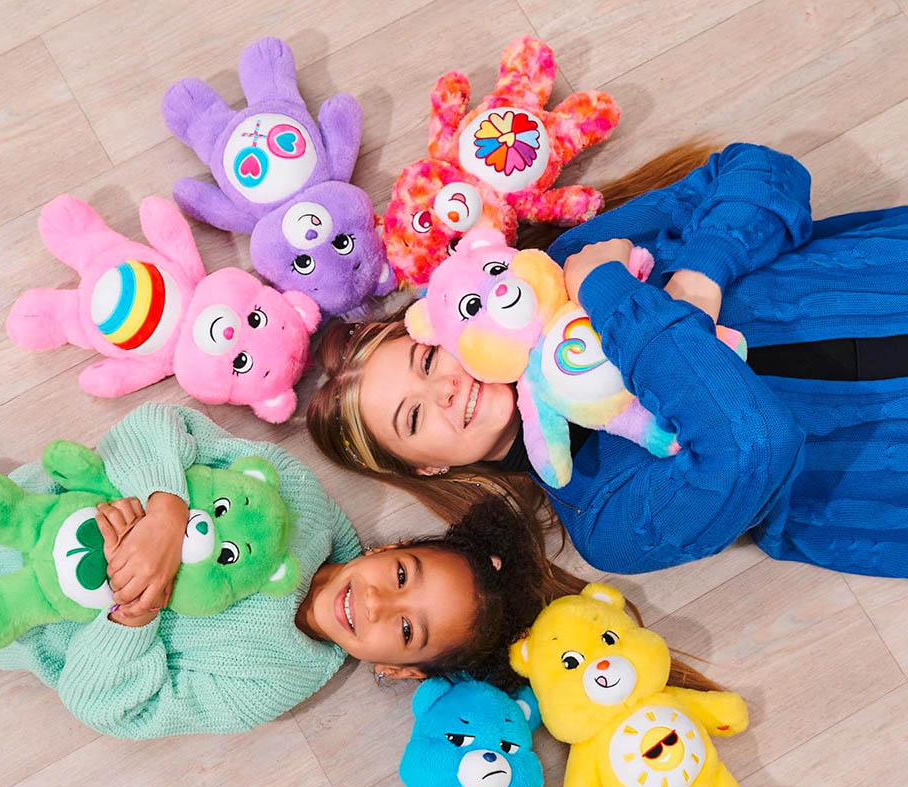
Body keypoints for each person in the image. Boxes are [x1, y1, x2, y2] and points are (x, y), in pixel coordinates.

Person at [309, 142, 908, 578]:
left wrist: (702, 273)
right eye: (413, 418)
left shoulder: (569, 261)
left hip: (877, 279)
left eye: (424, 361)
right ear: (427, 469)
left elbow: (763, 172)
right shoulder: (604, 517)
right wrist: (612, 297)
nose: (441, 389)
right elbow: (753, 444)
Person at [0, 403, 571, 739]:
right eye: (401, 577)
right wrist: (166, 511)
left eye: (405, 631)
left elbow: (106, 706)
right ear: (386, 550)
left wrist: (135, 615)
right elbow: (159, 425)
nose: (376, 604)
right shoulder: (298, 500)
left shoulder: (273, 680)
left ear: (401, 670)